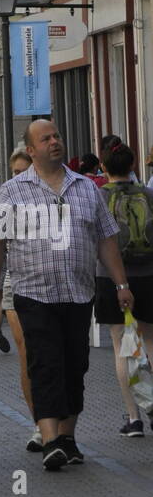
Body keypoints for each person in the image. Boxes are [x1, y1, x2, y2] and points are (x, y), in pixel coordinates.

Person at [0, 119, 132, 470]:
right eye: (45, 139)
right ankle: (50, 439)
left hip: (78, 293)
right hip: (33, 293)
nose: (54, 142)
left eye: (57, 136)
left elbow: (106, 240)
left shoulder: (86, 188)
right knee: (45, 362)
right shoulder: (13, 191)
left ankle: (67, 437)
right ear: (30, 150)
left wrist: (122, 285)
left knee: (74, 365)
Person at [96, 143, 153, 436]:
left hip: (110, 278)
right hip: (148, 275)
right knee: (150, 342)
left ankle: (134, 418)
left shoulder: (99, 197)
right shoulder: (148, 194)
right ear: (132, 166)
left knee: (122, 346)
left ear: (103, 168)